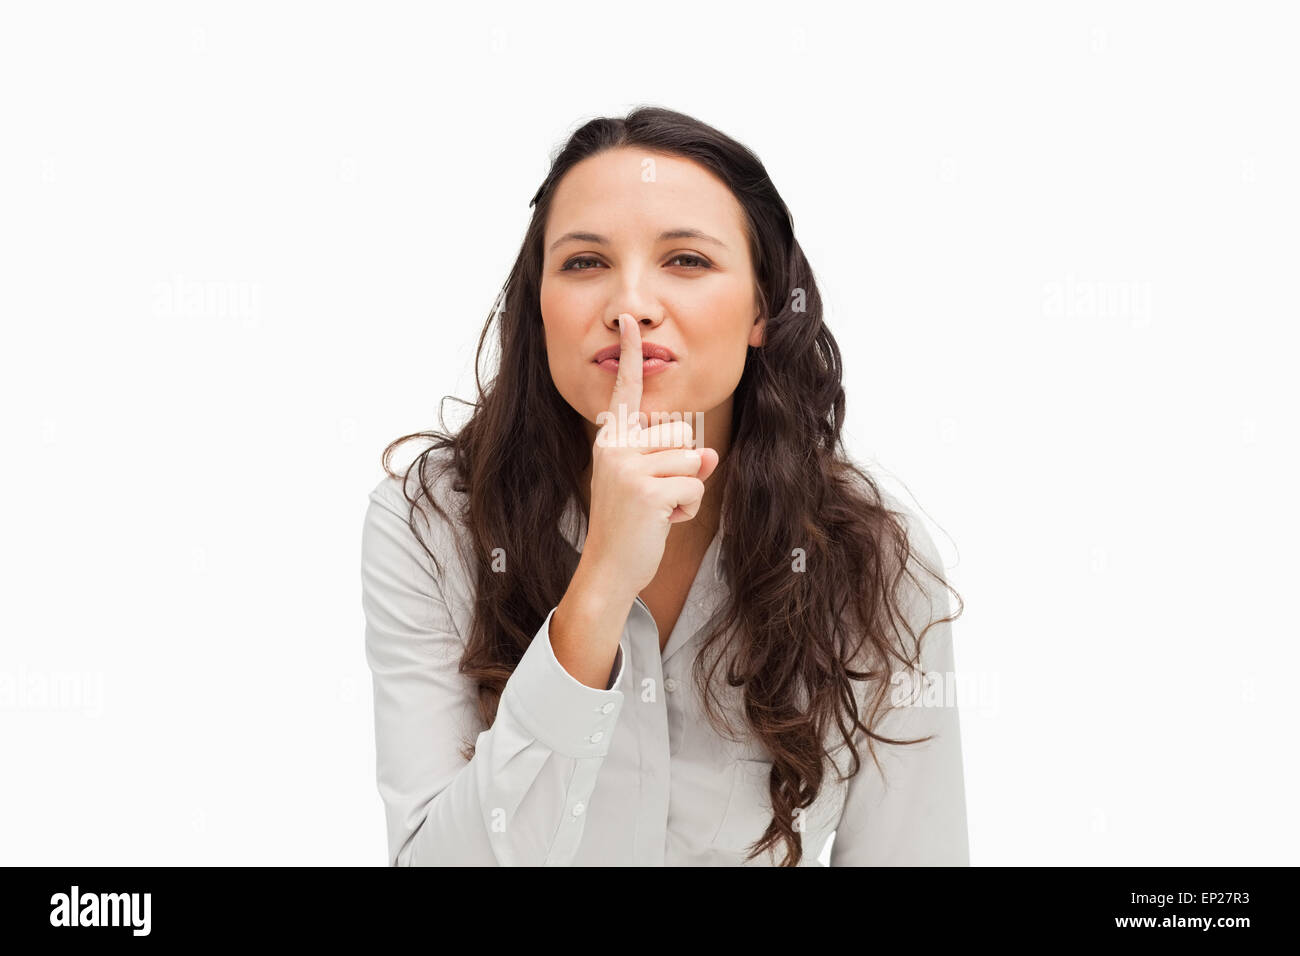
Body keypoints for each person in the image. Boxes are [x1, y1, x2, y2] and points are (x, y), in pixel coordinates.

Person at [360, 105, 968, 866]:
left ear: (761, 308)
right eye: (585, 263)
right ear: (538, 304)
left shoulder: (876, 561)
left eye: (686, 261)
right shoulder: (431, 528)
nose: (630, 308)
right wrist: (603, 581)